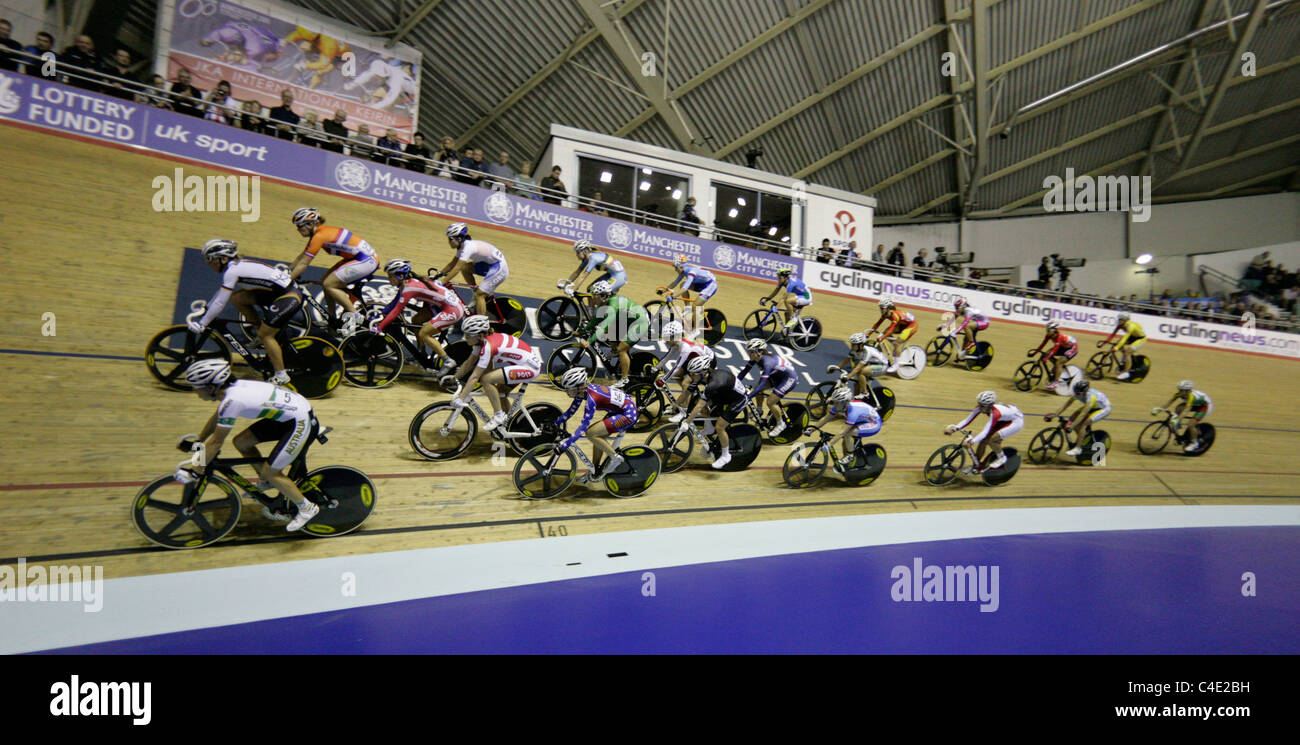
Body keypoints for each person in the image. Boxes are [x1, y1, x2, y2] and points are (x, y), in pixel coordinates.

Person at [177, 359, 320, 532]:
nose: (195, 391)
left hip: (300, 422)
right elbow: (218, 417)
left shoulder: (233, 400)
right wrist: (199, 440)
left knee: (271, 471)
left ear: (211, 387)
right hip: (292, 414)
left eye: (196, 387)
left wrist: (195, 470)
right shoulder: (232, 392)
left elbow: (216, 442)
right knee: (241, 442)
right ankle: (267, 481)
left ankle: (306, 508)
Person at [188, 239, 299, 385]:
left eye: (210, 259)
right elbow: (222, 293)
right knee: (238, 298)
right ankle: (260, 332)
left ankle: (281, 374)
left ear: (223, 258)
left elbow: (221, 302)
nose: (209, 263)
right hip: (279, 292)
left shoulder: (233, 271)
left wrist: (203, 323)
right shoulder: (235, 267)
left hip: (289, 296)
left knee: (266, 335)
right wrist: (207, 309)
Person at [285, 207, 379, 333]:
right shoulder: (318, 234)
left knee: (329, 284)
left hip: (366, 260)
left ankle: (355, 315)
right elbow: (302, 256)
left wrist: (287, 279)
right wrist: (287, 270)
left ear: (311, 223)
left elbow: (304, 263)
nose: (298, 230)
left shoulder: (319, 236)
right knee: (325, 280)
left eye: (300, 226)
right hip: (358, 258)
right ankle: (332, 319)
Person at [369, 259, 465, 372]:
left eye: (391, 276)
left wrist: (380, 327)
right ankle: (421, 352)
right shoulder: (407, 283)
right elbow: (393, 304)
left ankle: (448, 360)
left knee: (424, 333)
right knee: (416, 320)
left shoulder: (410, 288)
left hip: (453, 310)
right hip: (441, 305)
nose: (389, 279)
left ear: (400, 276)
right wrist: (380, 315)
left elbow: (396, 311)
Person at [449, 315, 541, 431]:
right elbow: (469, 363)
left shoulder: (488, 346)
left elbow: (475, 377)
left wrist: (461, 398)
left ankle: (499, 416)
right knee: (500, 392)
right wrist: (454, 378)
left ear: (479, 335)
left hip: (529, 368)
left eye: (468, 335)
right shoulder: (481, 342)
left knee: (486, 379)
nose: (465, 338)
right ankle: (508, 426)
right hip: (522, 364)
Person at [553, 367, 638, 481]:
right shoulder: (583, 392)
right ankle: (595, 470)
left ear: (580, 387)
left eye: (570, 389)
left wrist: (566, 444)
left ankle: (615, 458)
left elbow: (583, 427)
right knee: (596, 435)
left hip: (627, 415)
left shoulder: (592, 398)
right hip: (619, 410)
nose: (568, 392)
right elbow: (570, 412)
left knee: (592, 433)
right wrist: (555, 423)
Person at [680, 355, 749, 469]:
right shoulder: (707, 377)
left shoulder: (713, 384)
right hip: (725, 394)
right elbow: (690, 394)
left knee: (720, 426)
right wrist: (675, 407)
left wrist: (687, 422)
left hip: (738, 400)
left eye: (693, 374)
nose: (691, 376)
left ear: (701, 373)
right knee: (700, 401)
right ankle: (708, 427)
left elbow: (697, 407)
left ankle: (726, 455)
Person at [577, 281, 649, 388]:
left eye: (594, 296)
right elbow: (596, 320)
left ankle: (624, 379)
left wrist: (590, 341)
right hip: (627, 320)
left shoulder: (613, 304)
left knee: (622, 349)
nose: (592, 299)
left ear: (603, 296)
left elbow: (605, 325)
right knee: (610, 329)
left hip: (640, 322)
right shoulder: (605, 303)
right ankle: (614, 350)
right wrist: (581, 331)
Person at [434, 222, 508, 316]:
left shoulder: (468, 247)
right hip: (489, 264)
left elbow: (457, 268)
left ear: (459, 238)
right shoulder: (462, 247)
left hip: (499, 267)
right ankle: (476, 292)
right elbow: (452, 263)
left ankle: (482, 324)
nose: (449, 242)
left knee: (479, 295)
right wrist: (438, 274)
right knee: (465, 268)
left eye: (450, 239)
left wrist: (442, 282)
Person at [805, 386, 883, 472]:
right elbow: (826, 418)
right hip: (862, 419)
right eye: (834, 402)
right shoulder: (839, 405)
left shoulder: (853, 412)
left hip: (874, 423)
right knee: (845, 441)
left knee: (848, 433)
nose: (834, 405)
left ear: (845, 403)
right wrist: (812, 429)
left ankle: (850, 456)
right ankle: (847, 463)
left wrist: (829, 445)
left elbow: (842, 432)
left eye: (837, 403)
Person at [944, 390, 1023, 472]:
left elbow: (985, 431)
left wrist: (972, 442)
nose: (980, 407)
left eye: (983, 406)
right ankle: (976, 466)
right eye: (979, 404)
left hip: (1015, 422)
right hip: (1005, 418)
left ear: (990, 406)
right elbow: (968, 419)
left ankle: (1002, 458)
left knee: (992, 440)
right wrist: (955, 429)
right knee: (983, 441)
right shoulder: (981, 407)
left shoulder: (995, 413)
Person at [737, 339, 797, 438]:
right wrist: (735, 382)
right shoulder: (757, 357)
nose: (749, 354)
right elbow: (744, 371)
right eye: (749, 352)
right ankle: (759, 410)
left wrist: (749, 397)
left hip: (789, 379)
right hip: (777, 376)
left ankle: (781, 423)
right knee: (757, 388)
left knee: (770, 402)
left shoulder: (767, 363)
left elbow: (762, 384)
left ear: (759, 352)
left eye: (751, 352)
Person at [655, 321, 715, 418]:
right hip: (694, 359)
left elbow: (677, 366)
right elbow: (666, 358)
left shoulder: (685, 348)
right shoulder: (676, 343)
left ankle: (684, 411)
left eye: (666, 338)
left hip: (707, 361)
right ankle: (690, 393)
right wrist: (655, 368)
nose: (665, 341)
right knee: (676, 375)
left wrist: (663, 380)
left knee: (686, 383)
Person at [1045, 379, 1111, 458]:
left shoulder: (1091, 397)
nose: (1076, 395)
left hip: (1103, 408)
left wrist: (1072, 426)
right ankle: (1081, 437)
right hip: (1094, 406)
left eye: (1078, 393)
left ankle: (1078, 448)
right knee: (1072, 417)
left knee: (1084, 424)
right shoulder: (1077, 393)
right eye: (1075, 392)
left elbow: (1082, 414)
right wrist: (1055, 415)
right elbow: (1065, 405)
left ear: (1085, 392)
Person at [662, 254, 719, 333]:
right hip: (702, 283)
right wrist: (664, 290)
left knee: (695, 305)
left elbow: (684, 288)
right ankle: (688, 308)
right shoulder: (683, 270)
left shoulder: (690, 272)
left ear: (679, 266)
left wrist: (673, 296)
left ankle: (696, 331)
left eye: (675, 267)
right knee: (682, 284)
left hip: (710, 285)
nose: (675, 269)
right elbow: (675, 283)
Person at [825, 332, 889, 398]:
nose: (851, 346)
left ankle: (865, 393)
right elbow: (846, 361)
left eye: (854, 345)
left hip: (882, 366)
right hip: (871, 365)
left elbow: (858, 368)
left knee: (860, 371)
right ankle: (856, 402)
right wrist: (835, 368)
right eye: (851, 344)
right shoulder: (854, 350)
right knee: (856, 385)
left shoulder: (866, 352)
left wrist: (847, 377)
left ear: (861, 345)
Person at [1160, 380, 1213, 452]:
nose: (1179, 391)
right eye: (1179, 389)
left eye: (1181, 390)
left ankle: (1194, 443)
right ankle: (1178, 426)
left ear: (1187, 391)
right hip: (1196, 404)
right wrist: (1160, 409)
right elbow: (1170, 401)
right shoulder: (1179, 394)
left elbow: (1186, 410)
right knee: (1179, 408)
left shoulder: (1192, 397)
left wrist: (1178, 419)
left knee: (1191, 424)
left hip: (1205, 407)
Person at [868, 297, 918, 374]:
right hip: (902, 324)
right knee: (885, 333)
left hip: (911, 326)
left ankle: (896, 364)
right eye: (880, 308)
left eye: (882, 308)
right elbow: (877, 324)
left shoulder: (895, 315)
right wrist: (868, 334)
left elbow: (891, 329)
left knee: (897, 342)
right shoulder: (885, 314)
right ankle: (896, 349)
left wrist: (882, 338)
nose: (881, 310)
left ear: (888, 308)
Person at [1026, 320, 1078, 390]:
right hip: (1063, 346)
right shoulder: (1049, 335)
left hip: (1072, 348)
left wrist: (1047, 359)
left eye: (1048, 330)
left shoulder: (1060, 337)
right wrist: (1035, 353)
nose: (1047, 331)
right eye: (1047, 329)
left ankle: (1055, 382)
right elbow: (1043, 344)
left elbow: (1055, 350)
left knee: (1058, 363)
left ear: (1053, 330)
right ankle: (1056, 368)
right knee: (1046, 353)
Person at [1099, 311, 1146, 380]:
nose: (1119, 321)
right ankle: (1125, 360)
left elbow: (1125, 338)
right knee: (1118, 344)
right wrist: (1104, 343)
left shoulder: (1130, 326)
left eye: (1120, 319)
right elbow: (1112, 335)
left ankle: (1126, 372)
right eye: (1119, 319)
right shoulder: (1120, 325)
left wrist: (1116, 348)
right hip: (1132, 337)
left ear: (1125, 320)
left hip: (1140, 339)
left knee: (1127, 351)